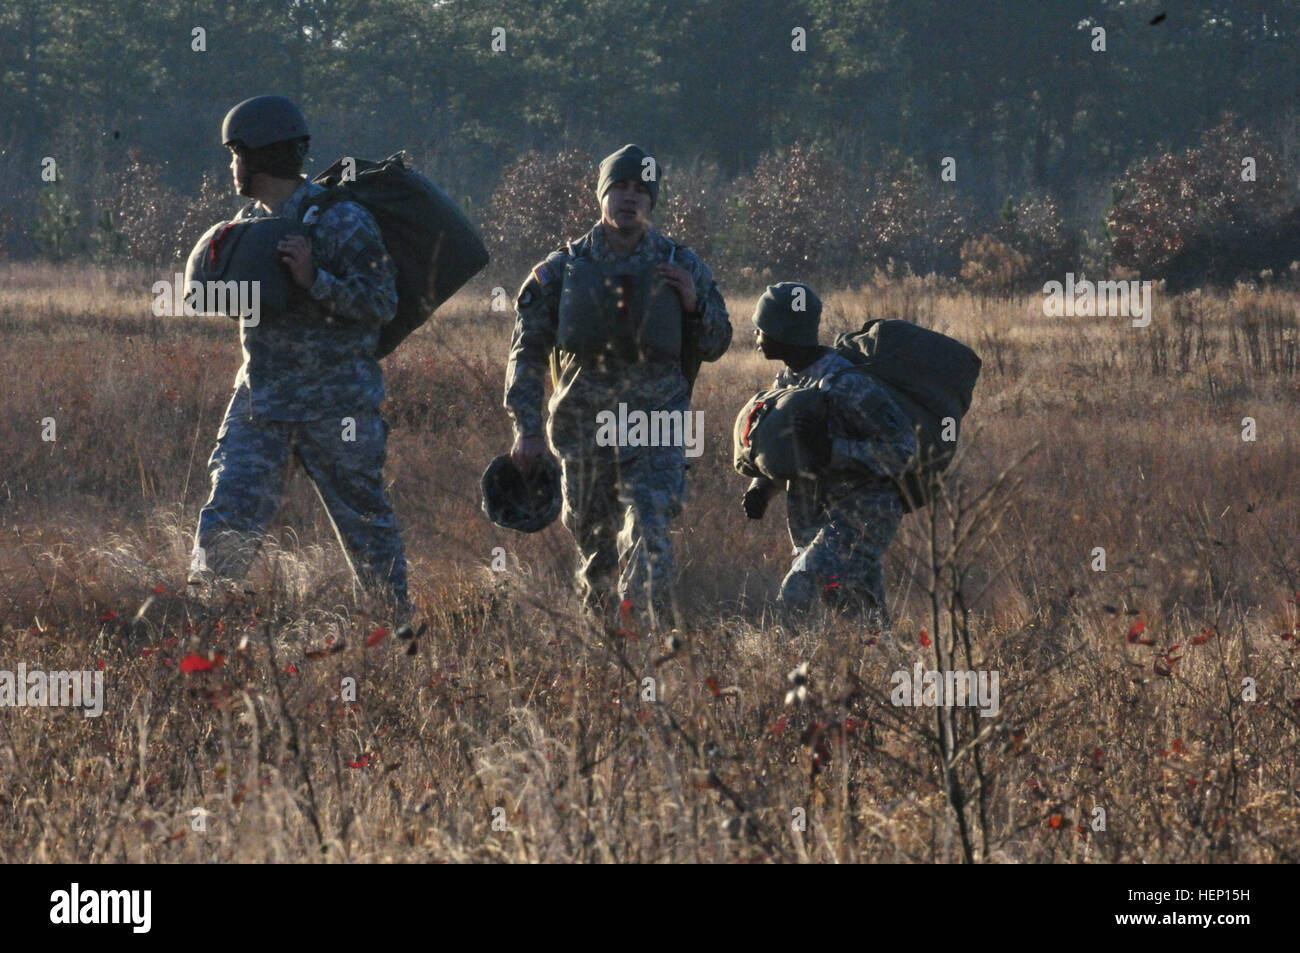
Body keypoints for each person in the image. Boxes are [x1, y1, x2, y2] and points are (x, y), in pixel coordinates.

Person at [188, 94, 411, 623]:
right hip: (261, 401)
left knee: (367, 532)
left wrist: (315, 281)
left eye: (235, 154)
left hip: (336, 408)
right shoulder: (242, 228)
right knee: (227, 519)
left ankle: (398, 636)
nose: (231, 166)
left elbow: (382, 303)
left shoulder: (343, 221)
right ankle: (199, 631)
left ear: (255, 156)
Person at [504, 144, 731, 627]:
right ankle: (606, 648)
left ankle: (645, 639)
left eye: (640, 190)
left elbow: (717, 344)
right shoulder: (561, 270)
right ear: (601, 195)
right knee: (596, 546)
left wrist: (695, 306)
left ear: (652, 200)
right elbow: (526, 354)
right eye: (619, 188)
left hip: (658, 427)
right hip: (583, 431)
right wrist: (525, 429)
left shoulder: (683, 266)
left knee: (649, 532)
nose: (629, 199)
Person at [742, 283, 915, 626]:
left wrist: (835, 451)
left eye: (762, 325)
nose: (756, 332)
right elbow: (789, 452)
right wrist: (761, 488)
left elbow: (904, 448)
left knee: (796, 591)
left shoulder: (847, 384)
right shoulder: (787, 383)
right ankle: (882, 668)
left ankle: (787, 673)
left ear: (784, 331)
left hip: (865, 512)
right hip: (818, 519)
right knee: (860, 613)